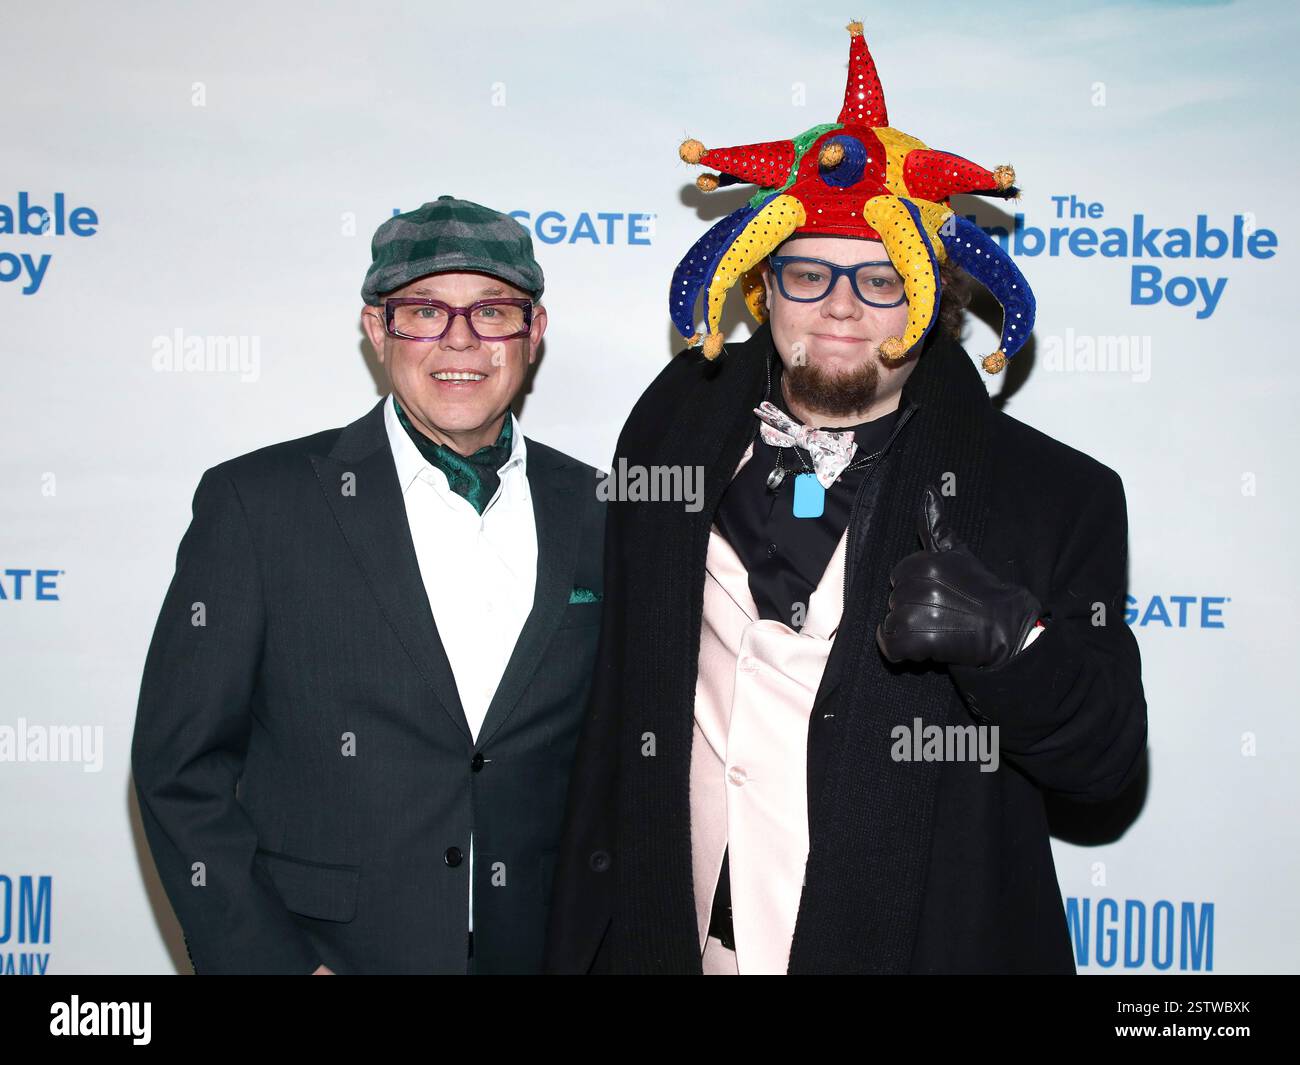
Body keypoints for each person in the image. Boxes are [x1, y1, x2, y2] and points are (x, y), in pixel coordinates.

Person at [544, 22, 1147, 974]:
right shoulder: (673, 422)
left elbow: (1106, 770)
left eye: (881, 278)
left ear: (933, 300)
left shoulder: (1052, 493)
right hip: (678, 938)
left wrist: (1015, 644)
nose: (841, 305)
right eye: (808, 271)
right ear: (763, 288)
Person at [132, 195, 605, 974]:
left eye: (492, 310)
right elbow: (179, 768)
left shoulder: (598, 510)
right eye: (424, 310)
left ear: (534, 332)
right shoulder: (259, 503)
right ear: (376, 328)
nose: (460, 341)